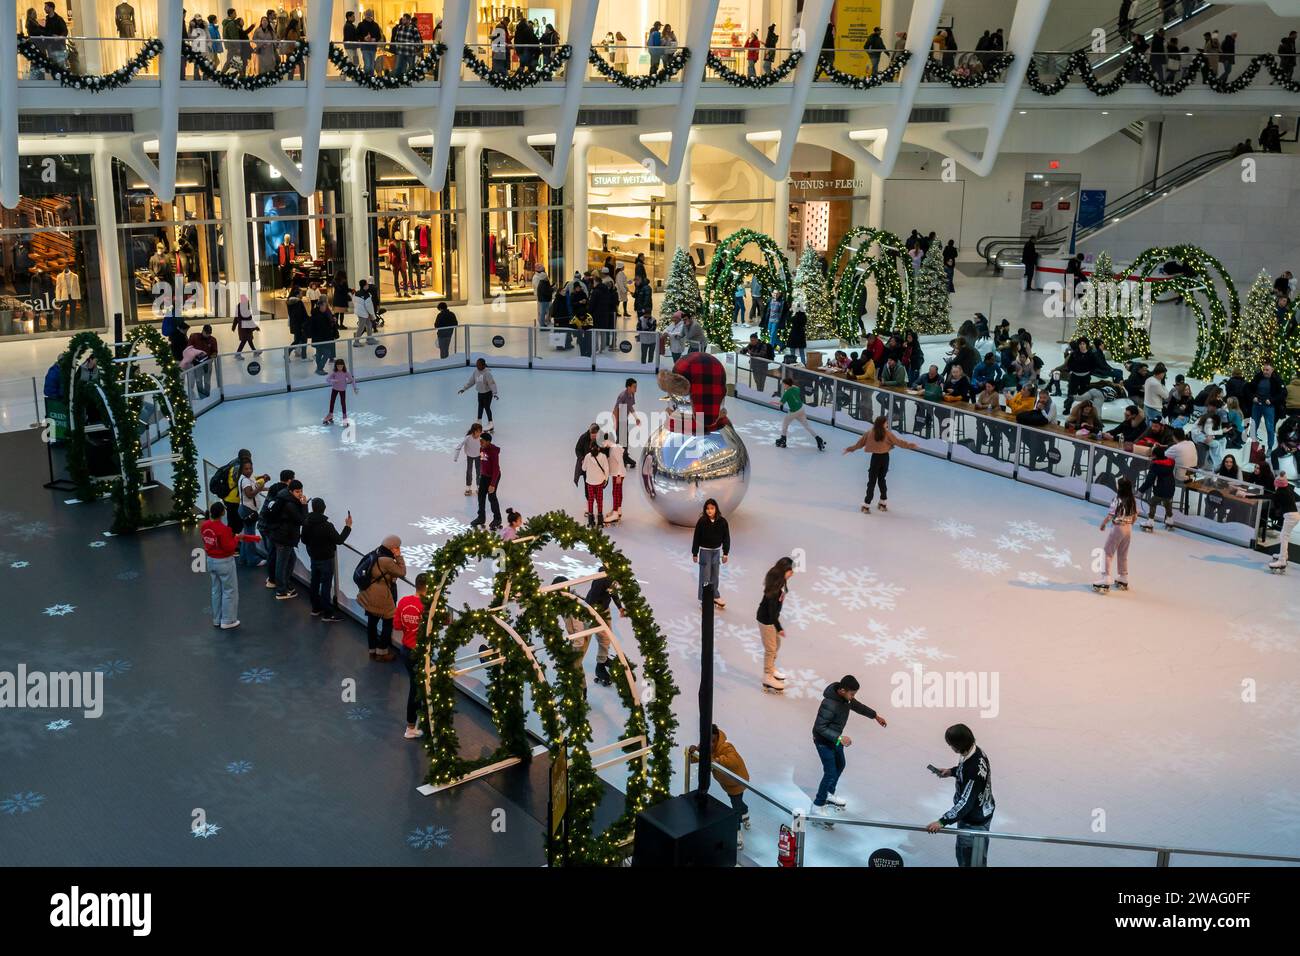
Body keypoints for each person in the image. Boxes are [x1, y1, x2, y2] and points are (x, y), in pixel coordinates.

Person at [810, 676, 886, 822]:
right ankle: (818, 804)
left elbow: (859, 707)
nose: (853, 697)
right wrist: (839, 738)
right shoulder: (829, 703)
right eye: (852, 694)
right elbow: (820, 727)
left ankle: (829, 794)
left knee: (840, 764)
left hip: (835, 739)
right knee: (830, 771)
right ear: (842, 690)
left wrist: (875, 716)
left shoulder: (846, 699)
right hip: (823, 741)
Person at [925, 723, 996, 867]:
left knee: (969, 860)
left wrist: (942, 821)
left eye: (951, 745)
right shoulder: (976, 752)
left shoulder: (973, 767)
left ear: (959, 745)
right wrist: (951, 771)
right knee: (972, 858)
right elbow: (966, 770)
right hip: (981, 811)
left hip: (974, 821)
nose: (951, 748)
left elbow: (966, 802)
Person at [688, 726, 752, 846]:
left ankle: (736, 831)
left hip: (737, 781)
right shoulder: (705, 747)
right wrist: (694, 751)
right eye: (708, 741)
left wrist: (718, 760)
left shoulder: (726, 747)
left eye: (713, 741)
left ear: (718, 739)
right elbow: (695, 760)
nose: (711, 744)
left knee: (735, 805)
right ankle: (745, 811)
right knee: (736, 802)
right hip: (727, 783)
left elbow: (734, 760)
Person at [844, 414, 919, 514]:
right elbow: (899, 442)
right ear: (882, 424)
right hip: (885, 458)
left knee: (872, 481)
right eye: (886, 422)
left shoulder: (869, 433)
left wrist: (850, 449)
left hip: (875, 459)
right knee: (881, 479)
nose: (887, 424)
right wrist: (910, 445)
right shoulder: (887, 434)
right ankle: (883, 502)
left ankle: (866, 505)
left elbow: (859, 444)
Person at [300, 499, 351, 621]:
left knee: (315, 582)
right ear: (324, 508)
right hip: (326, 559)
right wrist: (348, 526)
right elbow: (339, 540)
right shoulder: (327, 526)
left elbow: (304, 539)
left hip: (314, 557)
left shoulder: (307, 522)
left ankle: (315, 608)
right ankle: (328, 613)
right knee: (326, 585)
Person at [394, 573, 431, 739]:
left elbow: (396, 625)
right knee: (417, 688)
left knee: (417, 685)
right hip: (420, 652)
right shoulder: (428, 606)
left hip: (406, 650)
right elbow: (445, 621)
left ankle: (421, 720)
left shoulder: (403, 602)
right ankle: (410, 726)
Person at [357, 536, 406, 662]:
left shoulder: (377, 552)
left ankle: (372, 650)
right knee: (388, 621)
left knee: (372, 622)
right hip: (382, 595)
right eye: (397, 547)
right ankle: (382, 652)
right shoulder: (387, 561)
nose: (399, 549)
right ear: (392, 548)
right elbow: (402, 572)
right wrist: (399, 557)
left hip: (370, 592)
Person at [201, 502, 242, 630]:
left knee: (216, 590)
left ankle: (217, 619)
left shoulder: (205, 526)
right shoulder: (224, 530)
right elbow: (229, 547)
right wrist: (236, 539)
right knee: (230, 590)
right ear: (222, 513)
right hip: (224, 562)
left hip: (211, 560)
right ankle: (228, 620)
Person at [756, 557, 793, 692]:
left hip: (772, 619)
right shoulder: (774, 590)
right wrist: (779, 628)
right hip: (767, 621)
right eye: (790, 570)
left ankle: (771, 669)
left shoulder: (780, 582)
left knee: (776, 644)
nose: (792, 573)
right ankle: (767, 676)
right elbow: (771, 614)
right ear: (784, 571)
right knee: (771, 648)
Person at [1094, 476, 1138, 592]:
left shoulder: (1117, 499)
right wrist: (1130, 523)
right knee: (1123, 554)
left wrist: (1103, 524)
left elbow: (1111, 515)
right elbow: (1135, 516)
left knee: (1107, 553)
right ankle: (1123, 577)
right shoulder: (1132, 500)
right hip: (1128, 529)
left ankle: (1106, 577)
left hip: (1118, 528)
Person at [692, 498, 731, 610]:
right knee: (705, 576)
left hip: (716, 552)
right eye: (707, 509)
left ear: (716, 509)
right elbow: (696, 538)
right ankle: (704, 599)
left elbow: (726, 538)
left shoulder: (722, 522)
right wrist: (695, 553)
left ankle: (715, 596)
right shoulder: (702, 522)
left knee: (715, 575)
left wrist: (725, 553)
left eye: (712, 508)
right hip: (705, 552)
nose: (709, 511)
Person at [775, 376, 826, 450]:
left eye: (784, 384)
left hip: (794, 412)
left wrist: (774, 402)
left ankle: (783, 439)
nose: (783, 386)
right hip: (801, 409)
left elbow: (781, 403)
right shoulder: (796, 389)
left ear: (787, 385)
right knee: (807, 426)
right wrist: (791, 385)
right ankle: (818, 439)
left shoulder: (787, 393)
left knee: (785, 424)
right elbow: (796, 387)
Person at [1249, 361, 1284, 449]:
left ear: (1272, 370)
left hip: (1269, 406)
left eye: (1267, 370)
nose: (1265, 371)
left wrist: (1272, 400)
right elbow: (1248, 388)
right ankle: (1251, 447)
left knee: (1269, 428)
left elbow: (1283, 393)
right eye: (1264, 369)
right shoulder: (1258, 377)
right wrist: (1253, 397)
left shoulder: (1277, 379)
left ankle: (1270, 447)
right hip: (1257, 405)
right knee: (1254, 426)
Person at [472, 432, 503, 530]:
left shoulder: (493, 452)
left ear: (488, 442)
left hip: (493, 476)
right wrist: (482, 474)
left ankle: (497, 519)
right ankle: (481, 517)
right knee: (481, 496)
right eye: (480, 441)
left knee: (491, 497)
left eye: (482, 441)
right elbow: (483, 461)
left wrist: (492, 484)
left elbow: (496, 469)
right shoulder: (482, 448)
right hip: (484, 476)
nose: (480, 443)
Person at [459, 358, 499, 429]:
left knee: (487, 407)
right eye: (477, 365)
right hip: (480, 393)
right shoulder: (476, 372)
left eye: (479, 365)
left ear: (483, 365)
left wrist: (495, 393)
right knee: (480, 407)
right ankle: (479, 421)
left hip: (487, 393)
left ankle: (491, 423)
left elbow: (492, 383)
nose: (477, 366)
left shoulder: (487, 373)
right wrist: (464, 389)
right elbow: (471, 381)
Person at [580, 437, 611, 528]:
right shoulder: (603, 456)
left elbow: (583, 469)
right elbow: (606, 469)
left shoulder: (587, 456)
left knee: (590, 500)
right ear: (599, 448)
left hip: (590, 482)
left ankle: (590, 520)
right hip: (599, 482)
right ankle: (600, 521)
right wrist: (605, 479)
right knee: (599, 500)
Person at [308, 296, 338, 376]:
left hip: (319, 338)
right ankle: (319, 368)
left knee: (319, 353)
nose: (326, 307)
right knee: (326, 352)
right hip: (322, 338)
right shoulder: (319, 316)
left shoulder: (318, 313)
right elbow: (323, 328)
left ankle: (319, 369)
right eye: (324, 306)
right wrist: (331, 323)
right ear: (320, 306)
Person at [323, 358, 358, 426]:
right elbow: (327, 379)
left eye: (341, 366)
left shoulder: (345, 373)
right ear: (336, 366)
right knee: (332, 402)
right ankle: (330, 415)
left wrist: (355, 388)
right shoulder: (334, 373)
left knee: (343, 403)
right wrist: (334, 380)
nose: (339, 367)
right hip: (335, 389)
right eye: (338, 366)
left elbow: (352, 380)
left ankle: (344, 418)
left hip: (342, 390)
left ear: (343, 366)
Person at [454, 422, 483, 496]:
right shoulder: (468, 438)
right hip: (469, 456)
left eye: (480, 431)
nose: (479, 433)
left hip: (478, 456)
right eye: (478, 431)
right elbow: (458, 447)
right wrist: (455, 457)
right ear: (474, 431)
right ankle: (468, 488)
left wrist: (483, 458)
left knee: (479, 472)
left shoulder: (481, 439)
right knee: (469, 471)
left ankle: (479, 487)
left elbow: (483, 449)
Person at [352, 278, 378, 344]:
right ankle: (356, 341)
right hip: (363, 313)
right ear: (364, 286)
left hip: (360, 312)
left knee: (369, 324)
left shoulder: (356, 293)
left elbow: (354, 301)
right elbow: (369, 307)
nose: (368, 285)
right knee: (361, 326)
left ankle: (369, 338)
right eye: (367, 284)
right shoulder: (367, 295)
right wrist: (372, 314)